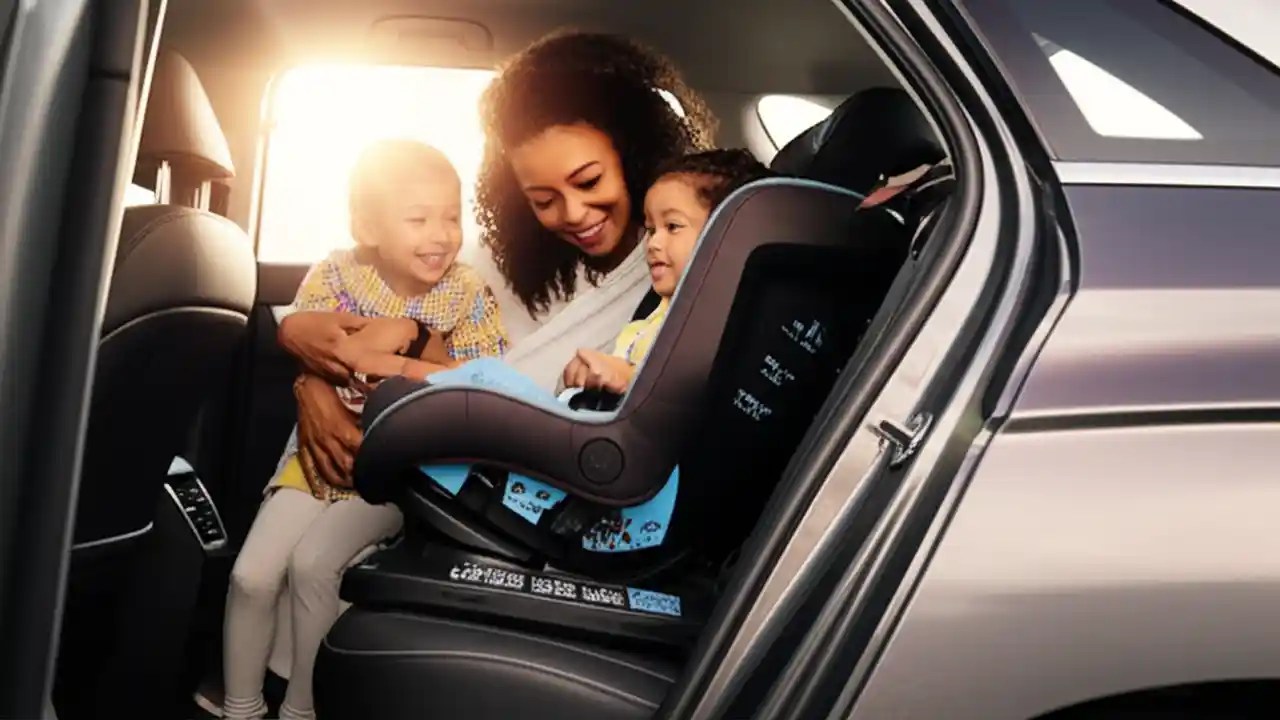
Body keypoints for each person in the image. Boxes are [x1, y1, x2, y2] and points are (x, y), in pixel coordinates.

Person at [276, 30, 717, 497]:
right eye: (543, 199)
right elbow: (362, 326)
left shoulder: (669, 264)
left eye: (588, 182)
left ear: (632, 154)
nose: (572, 213)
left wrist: (412, 343)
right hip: (406, 451)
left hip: (498, 486)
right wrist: (312, 384)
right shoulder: (491, 257)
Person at [221, 138, 507, 720]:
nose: (441, 234)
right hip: (316, 456)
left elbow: (481, 381)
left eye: (451, 217)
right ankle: (240, 708)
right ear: (368, 227)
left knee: (314, 566)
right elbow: (314, 343)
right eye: (418, 219)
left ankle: (301, 710)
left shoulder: (468, 292)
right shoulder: (336, 273)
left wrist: (403, 354)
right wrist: (379, 339)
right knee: (253, 575)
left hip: (398, 469)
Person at [561, 148, 774, 395]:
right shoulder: (661, 310)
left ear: (726, 235)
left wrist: (629, 379)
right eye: (651, 230)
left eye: (672, 226)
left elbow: (687, 396)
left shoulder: (720, 321)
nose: (653, 243)